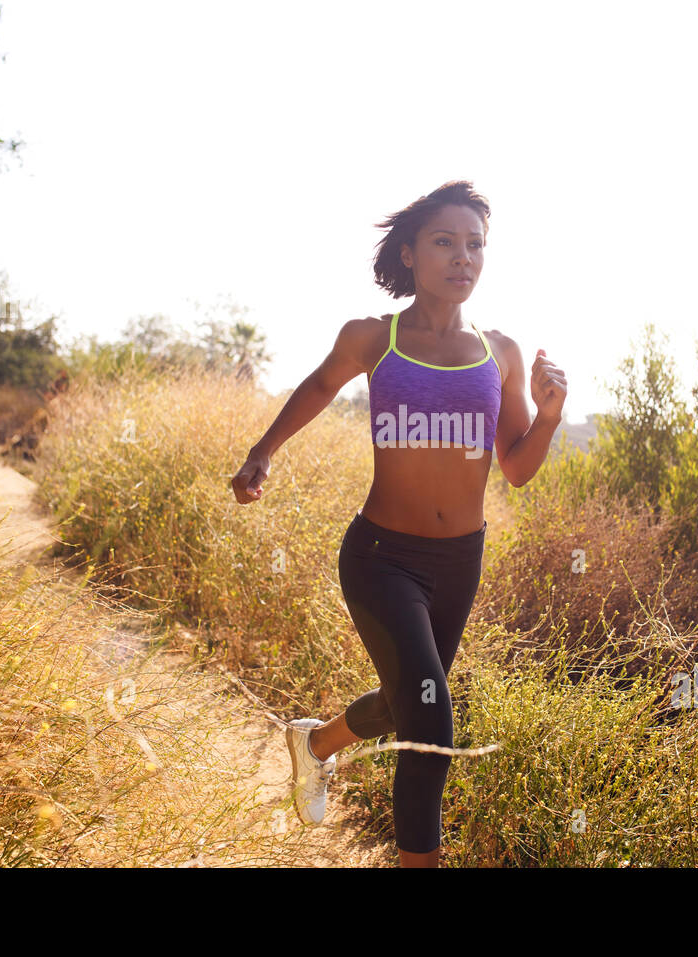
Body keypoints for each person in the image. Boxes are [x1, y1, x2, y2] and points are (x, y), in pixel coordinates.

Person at [230, 180, 567, 867]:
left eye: (475, 244)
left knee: (410, 698)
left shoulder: (499, 352)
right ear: (410, 254)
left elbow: (519, 467)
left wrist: (552, 414)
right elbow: (321, 385)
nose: (463, 257)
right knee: (433, 724)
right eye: (445, 242)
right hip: (382, 558)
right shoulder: (372, 337)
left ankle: (316, 743)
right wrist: (264, 451)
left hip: (458, 562)